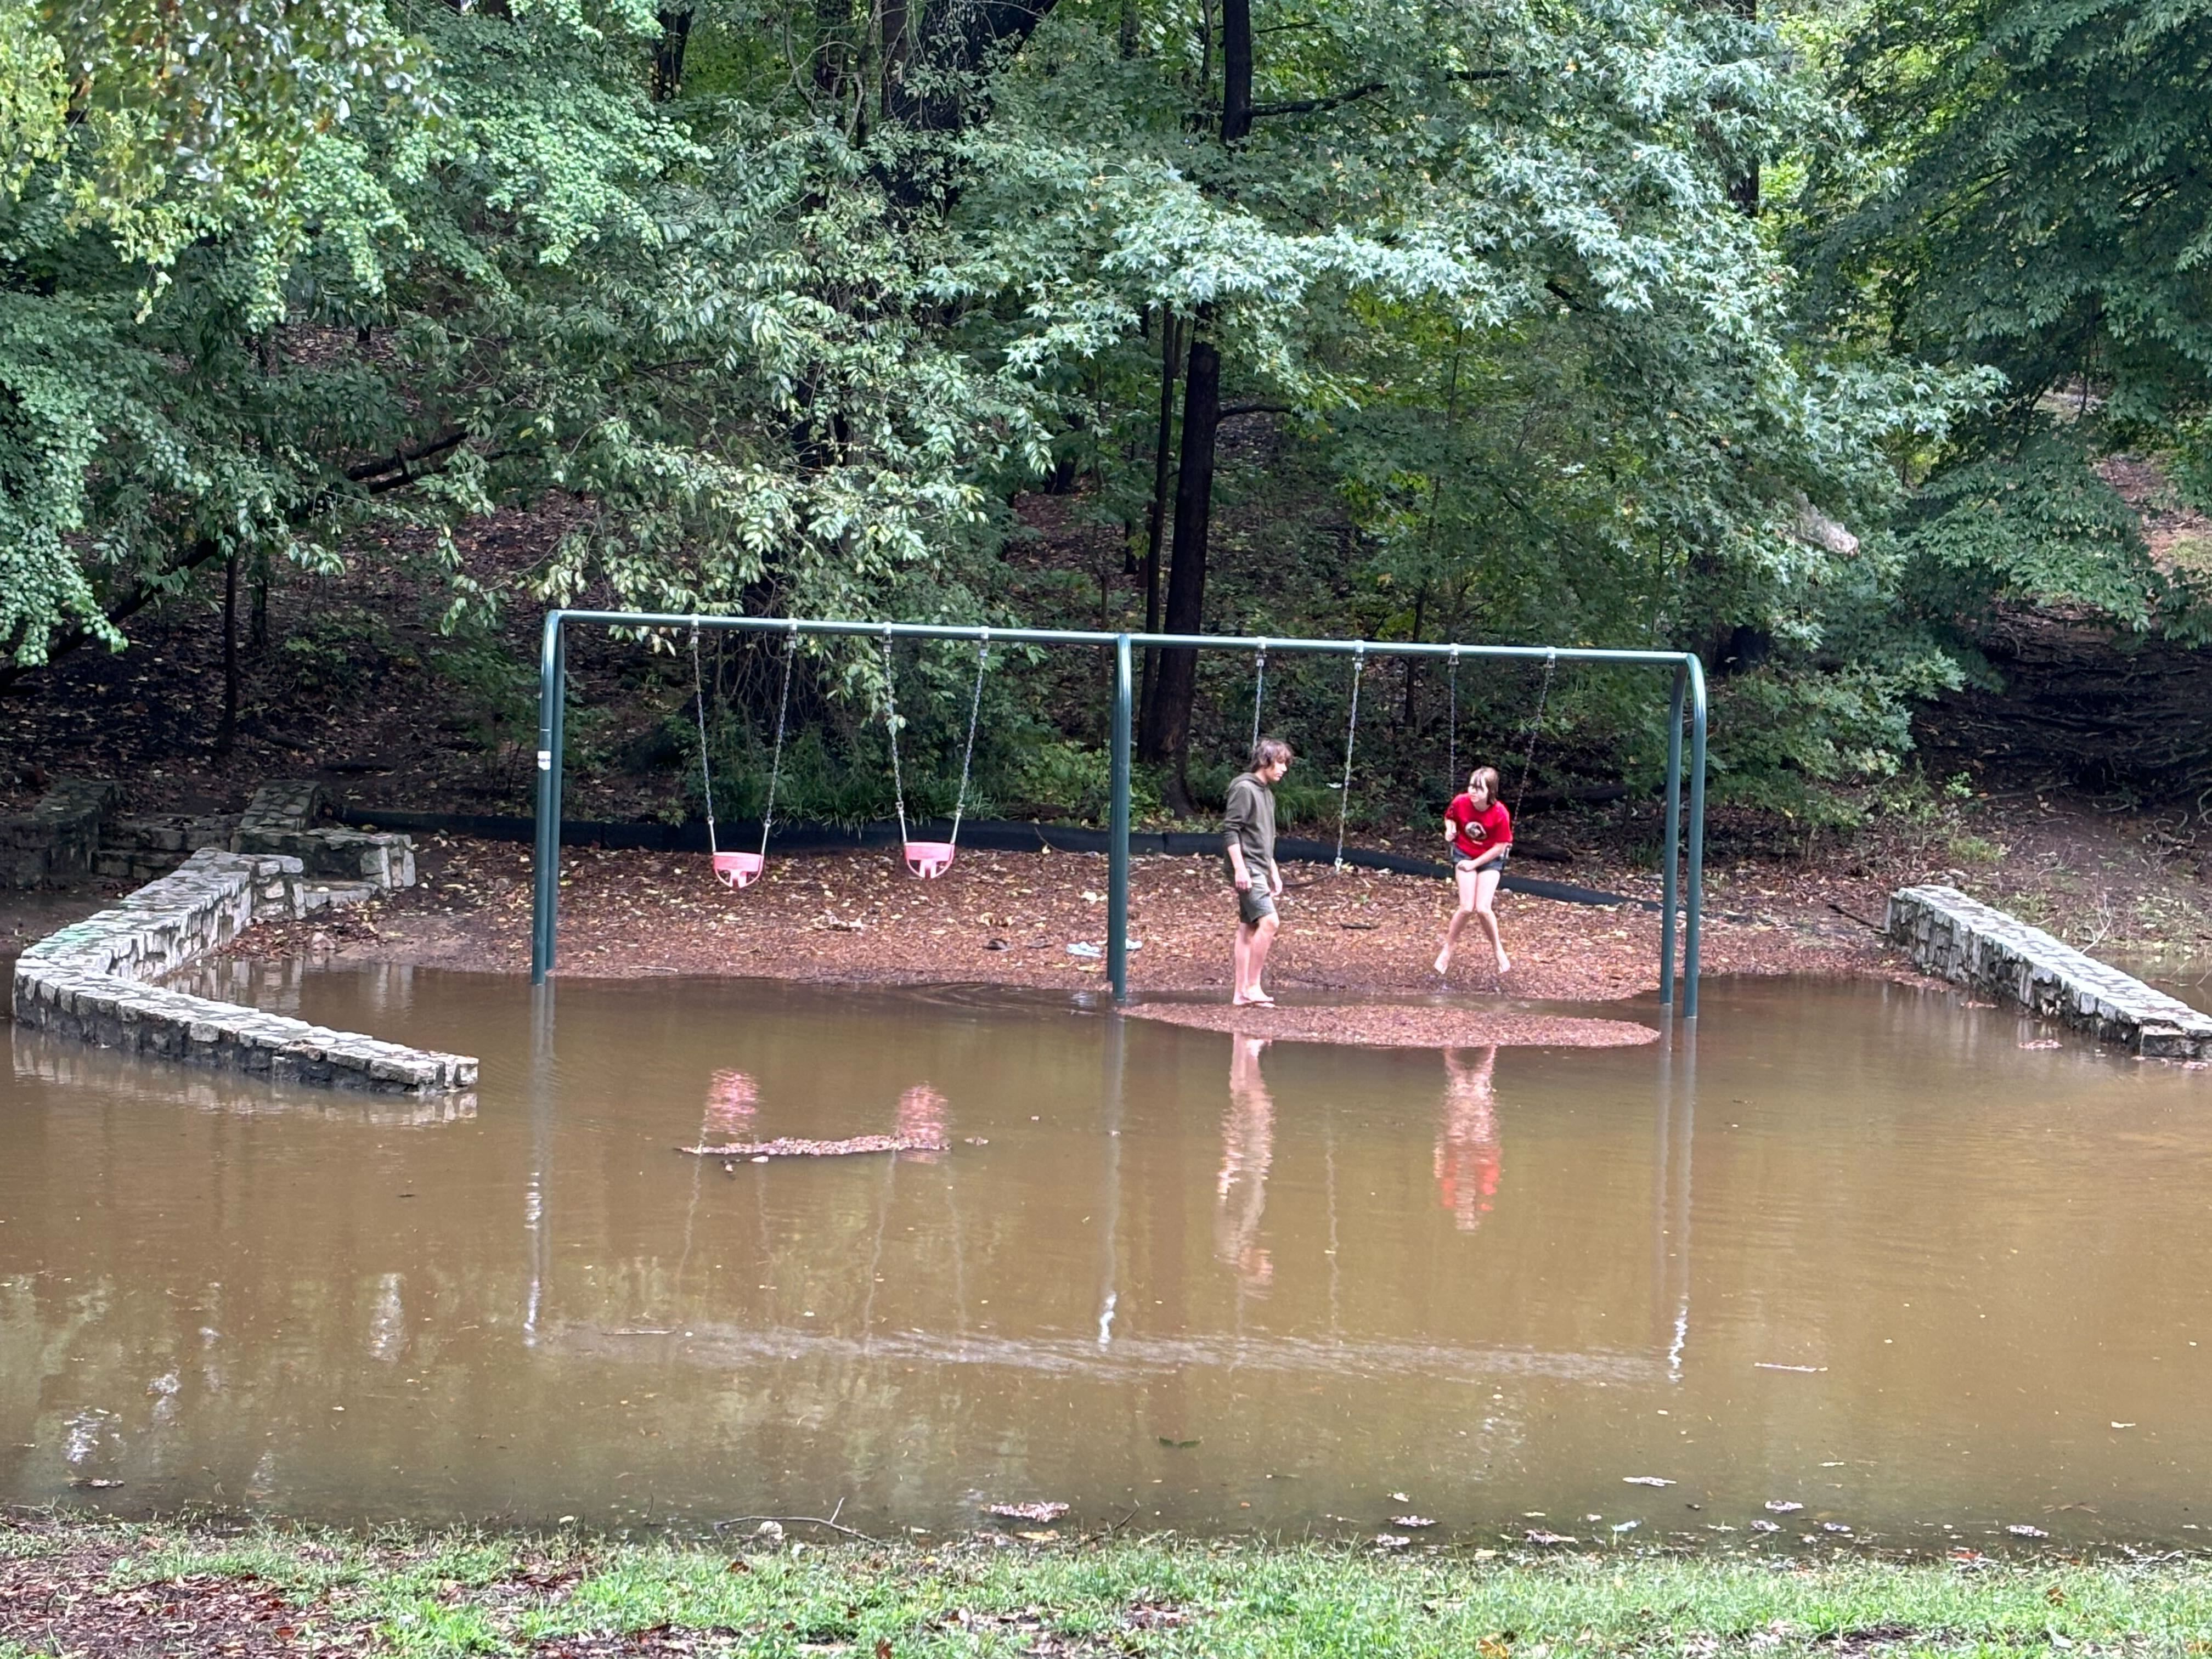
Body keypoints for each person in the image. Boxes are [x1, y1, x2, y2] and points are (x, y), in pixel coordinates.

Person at [1223, 737, 1293, 1006]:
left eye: (1286, 763)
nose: (1284, 769)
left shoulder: (1267, 794)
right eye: (1280, 763)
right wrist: (1240, 870)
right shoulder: (1244, 789)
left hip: (1259, 866)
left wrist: (1273, 871)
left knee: (1248, 927)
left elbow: (1265, 838)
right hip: (1246, 866)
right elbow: (1231, 831)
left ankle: (1240, 993)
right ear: (1264, 761)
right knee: (1270, 922)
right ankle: (1252, 986)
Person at [1435, 764, 1513, 978]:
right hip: (1464, 854)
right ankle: (1448, 949)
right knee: (1467, 907)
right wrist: (1450, 830)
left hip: (1490, 859)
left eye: (1479, 788)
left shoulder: (1500, 813)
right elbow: (1450, 818)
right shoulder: (1461, 802)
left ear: (1491, 792)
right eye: (1471, 786)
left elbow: (1501, 846)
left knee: (1483, 908)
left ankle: (1497, 949)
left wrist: (1475, 864)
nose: (1473, 792)